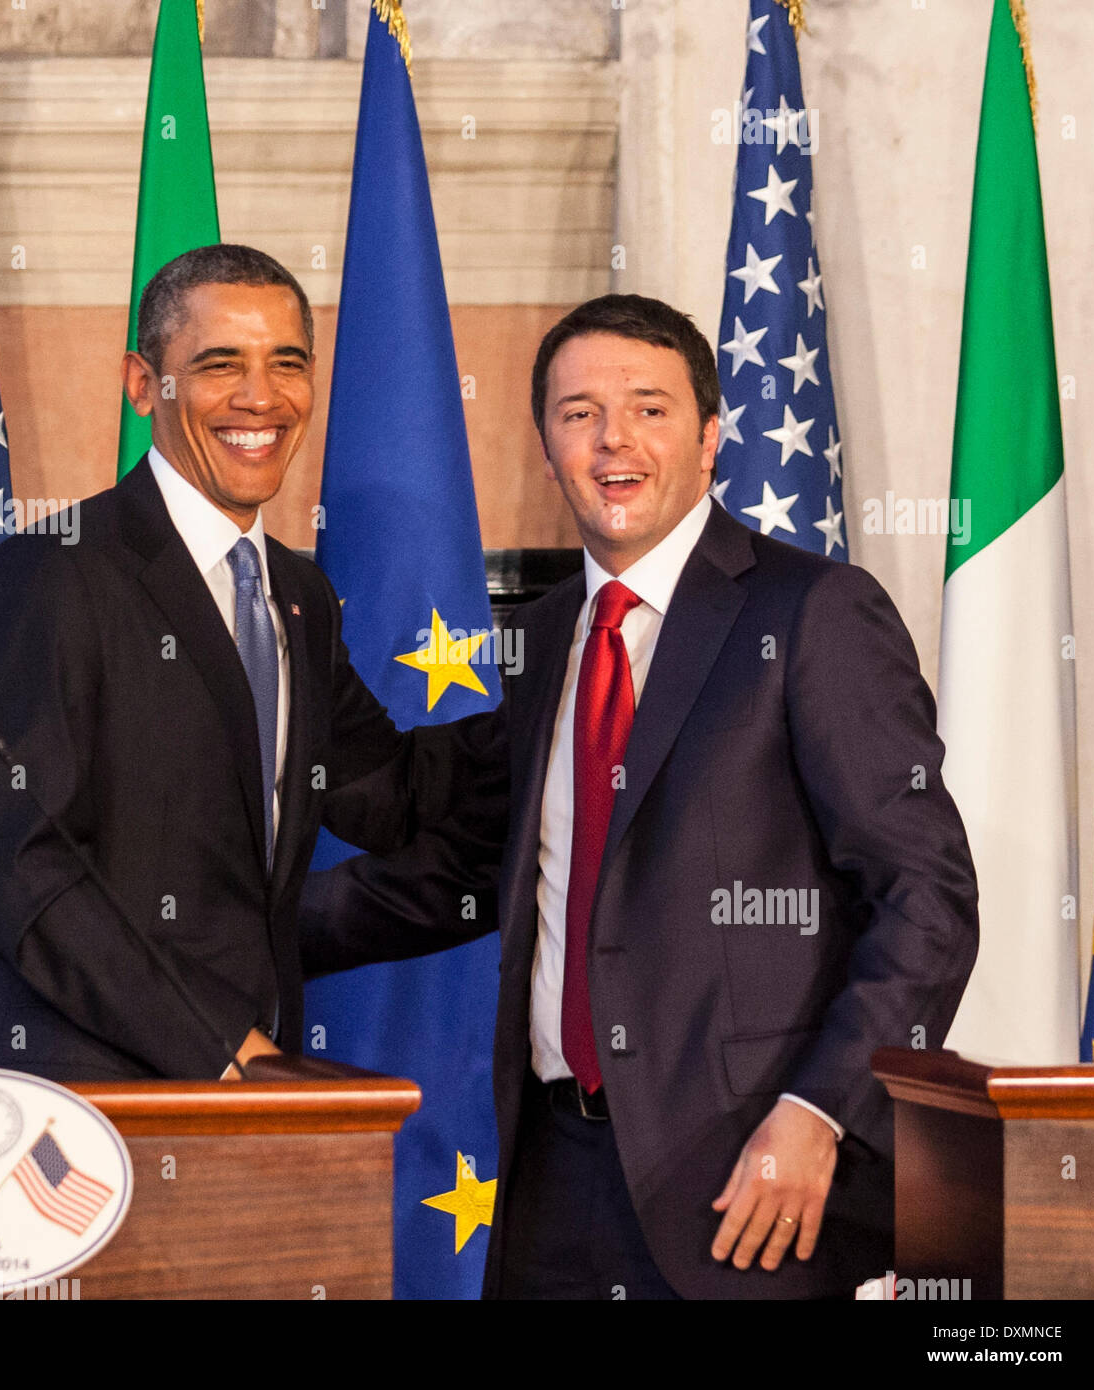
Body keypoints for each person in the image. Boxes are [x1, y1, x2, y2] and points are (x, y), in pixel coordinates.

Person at [300, 293, 979, 1298]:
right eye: (579, 413)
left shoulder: (811, 613)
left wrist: (820, 1111)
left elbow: (926, 897)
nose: (613, 439)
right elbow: (476, 873)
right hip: (550, 1182)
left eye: (649, 409)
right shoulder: (539, 636)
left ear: (709, 439)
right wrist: (219, 929)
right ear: (546, 447)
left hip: (749, 1180)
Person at [0, 243, 484, 1082]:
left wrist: (582, 695)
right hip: (84, 1105)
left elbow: (392, 794)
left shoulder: (298, 596)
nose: (260, 397)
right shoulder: (56, 570)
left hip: (243, 1107)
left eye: (287, 364)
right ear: (140, 382)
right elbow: (11, 863)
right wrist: (224, 1050)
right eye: (218, 364)